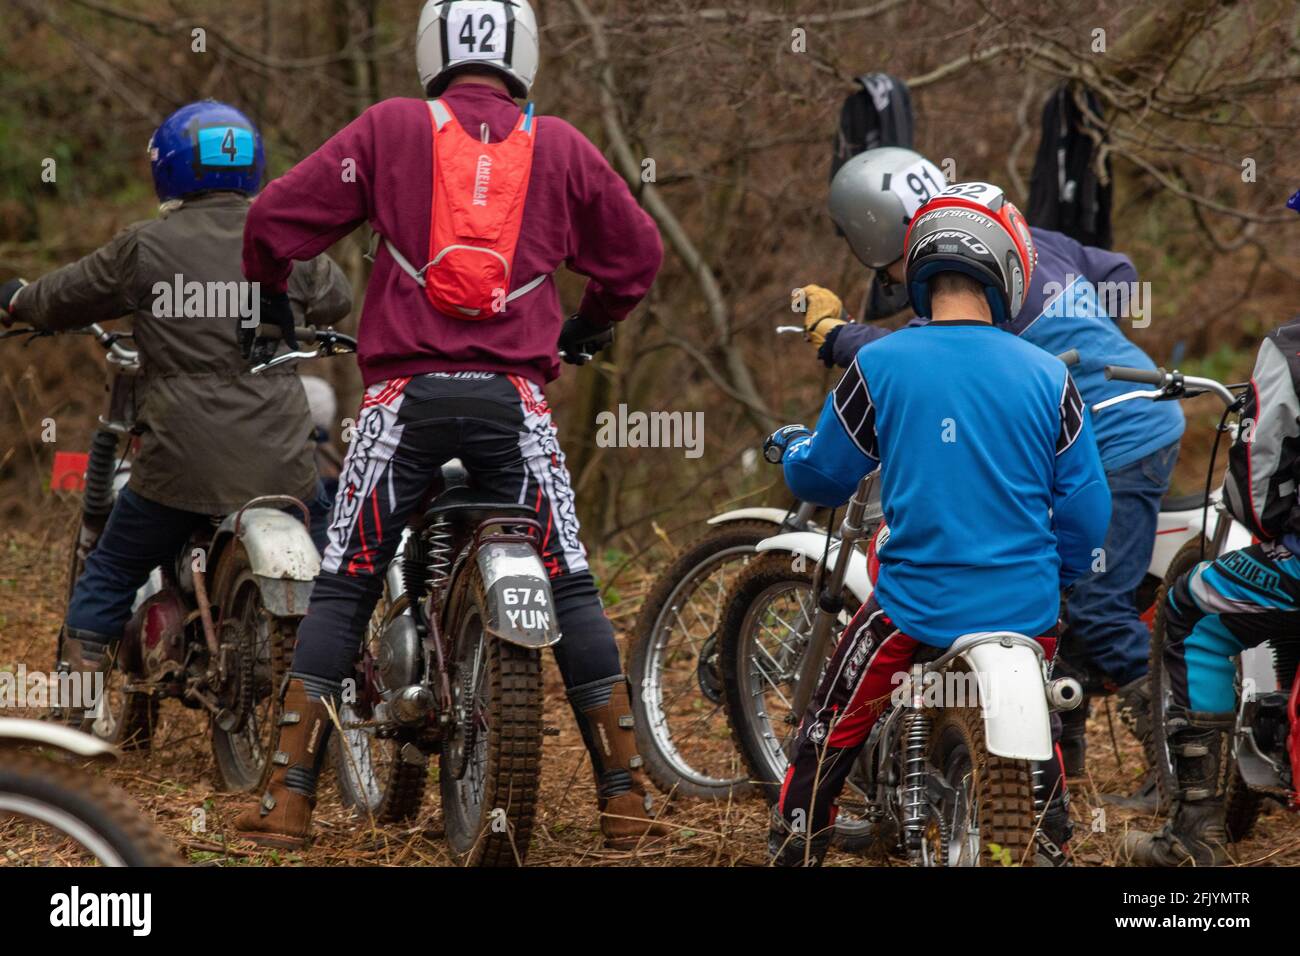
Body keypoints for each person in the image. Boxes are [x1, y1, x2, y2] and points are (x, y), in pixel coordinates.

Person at [232, 0, 666, 850]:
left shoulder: (390, 129)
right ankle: (623, 799)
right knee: (571, 580)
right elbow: (638, 255)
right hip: (515, 406)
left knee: (347, 580)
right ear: (524, 56)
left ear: (434, 48)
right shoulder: (564, 147)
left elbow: (269, 221)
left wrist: (270, 297)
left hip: (404, 403)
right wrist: (590, 320)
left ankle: (288, 799)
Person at [798, 147, 1184, 785]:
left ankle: (1177, 783)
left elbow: (931, 357)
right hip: (1144, 405)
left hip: (1116, 435)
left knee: (1094, 608)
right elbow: (1116, 267)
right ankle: (1058, 757)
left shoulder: (974, 296)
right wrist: (1090, 341)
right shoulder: (1025, 238)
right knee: (1057, 595)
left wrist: (841, 337)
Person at [764, 184, 1111, 865]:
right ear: (1008, 270)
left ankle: (798, 836)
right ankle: (1051, 839)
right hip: (1025, 606)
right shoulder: (1049, 376)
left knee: (832, 721)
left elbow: (823, 478)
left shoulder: (881, 364)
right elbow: (1088, 508)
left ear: (919, 270)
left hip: (913, 608)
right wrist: (1059, 573)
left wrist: (792, 448)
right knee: (1043, 721)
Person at [0, 101, 351, 724]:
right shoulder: (288, 239)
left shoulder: (146, 246)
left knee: (110, 569)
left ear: (170, 169)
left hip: (179, 462)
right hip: (280, 459)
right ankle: (333, 697)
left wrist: (20, 300)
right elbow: (337, 301)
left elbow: (65, 295)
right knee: (330, 566)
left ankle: (74, 712)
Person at [1125, 315, 1300, 865]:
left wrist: (1265, 520)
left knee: (1190, 615)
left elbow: (1262, 482)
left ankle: (1195, 835)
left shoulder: (1290, 346)